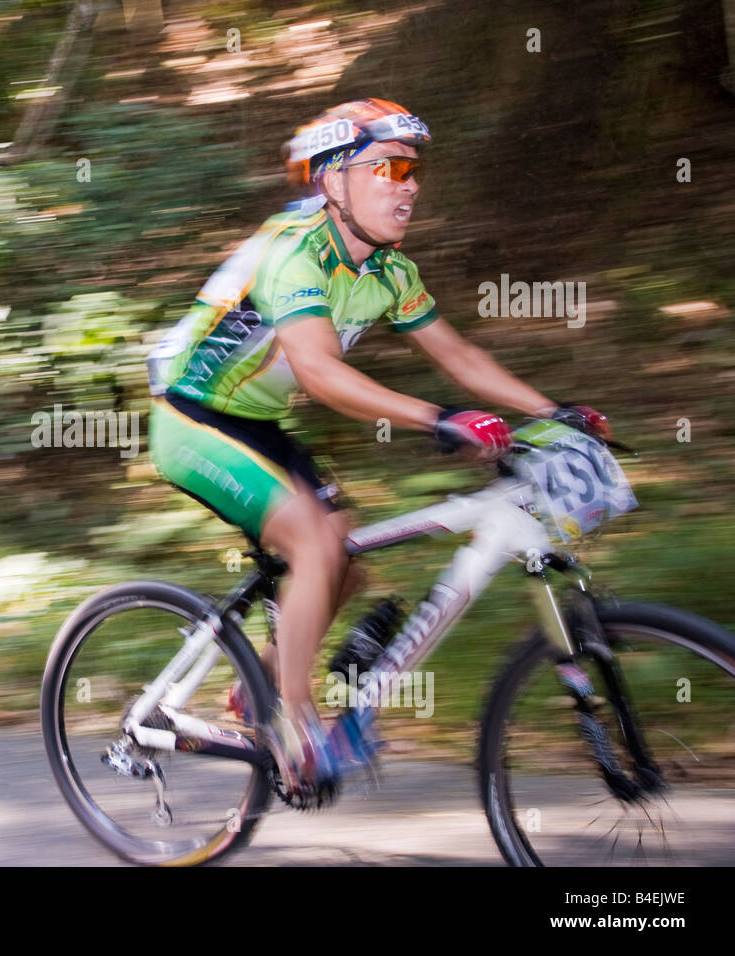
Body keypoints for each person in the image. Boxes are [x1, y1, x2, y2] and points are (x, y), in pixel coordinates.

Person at [146, 98, 610, 798]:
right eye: (389, 167)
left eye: (413, 170)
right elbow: (322, 374)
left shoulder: (389, 270)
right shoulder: (293, 254)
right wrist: (439, 419)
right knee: (313, 543)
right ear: (333, 181)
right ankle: (298, 726)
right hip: (189, 413)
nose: (410, 183)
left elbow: (457, 353)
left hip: (255, 420)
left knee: (345, 563)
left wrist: (553, 411)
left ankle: (257, 693)